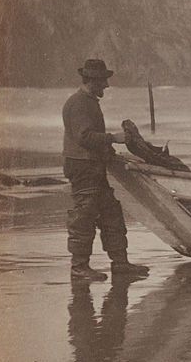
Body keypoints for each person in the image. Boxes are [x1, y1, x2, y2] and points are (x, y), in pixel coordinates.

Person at [62, 59, 150, 281]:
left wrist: (112, 154)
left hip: (93, 166)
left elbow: (89, 137)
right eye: (102, 81)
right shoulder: (79, 103)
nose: (106, 86)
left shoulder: (87, 101)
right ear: (92, 80)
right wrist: (114, 138)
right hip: (83, 167)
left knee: (111, 213)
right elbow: (84, 137)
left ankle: (120, 264)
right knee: (84, 216)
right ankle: (79, 267)